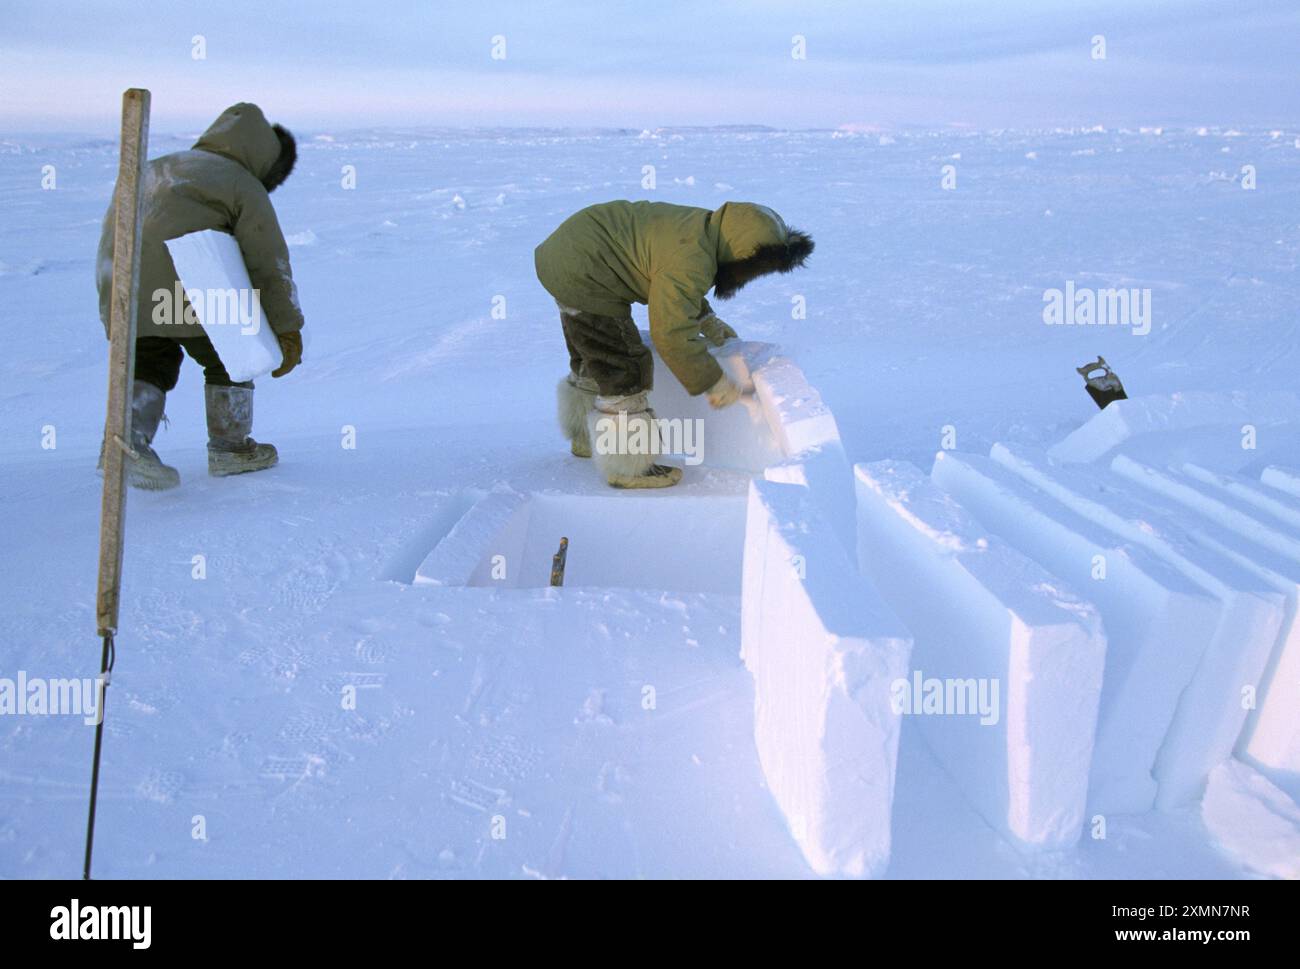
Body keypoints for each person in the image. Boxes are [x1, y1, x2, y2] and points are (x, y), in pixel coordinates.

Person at [96, 102, 304, 490]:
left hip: (130, 287)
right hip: (193, 292)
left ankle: (127, 444)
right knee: (233, 355)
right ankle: (231, 448)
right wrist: (287, 328)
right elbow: (267, 260)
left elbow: (111, 237)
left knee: (148, 359)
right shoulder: (241, 182)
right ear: (264, 159)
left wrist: (114, 307)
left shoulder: (155, 167)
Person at [535, 200, 813, 488]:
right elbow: (670, 332)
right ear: (741, 255)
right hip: (586, 270)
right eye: (754, 268)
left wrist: (707, 320)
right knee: (622, 365)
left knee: (592, 354)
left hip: (567, 255)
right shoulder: (692, 257)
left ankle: (584, 436)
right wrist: (713, 382)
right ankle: (626, 466)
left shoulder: (702, 230)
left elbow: (675, 283)